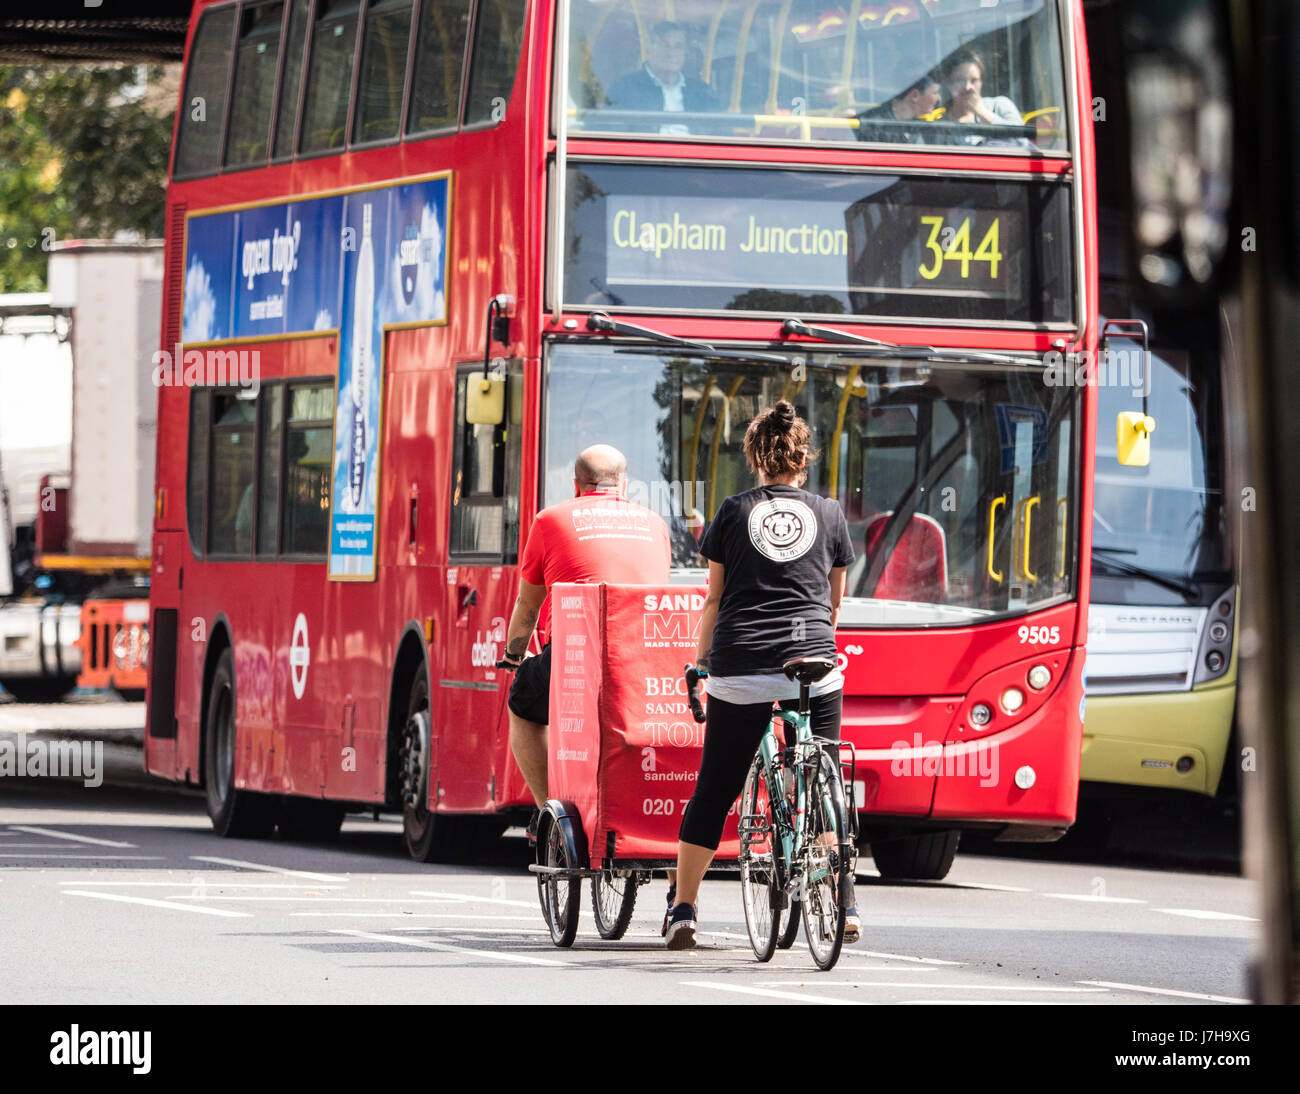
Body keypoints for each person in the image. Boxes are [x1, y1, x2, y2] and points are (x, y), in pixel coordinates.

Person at [664, 400, 859, 949]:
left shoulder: (732, 511)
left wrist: (700, 667)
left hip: (744, 663)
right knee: (824, 780)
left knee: (717, 787)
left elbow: (714, 600)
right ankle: (842, 901)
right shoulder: (831, 513)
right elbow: (833, 604)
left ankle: (684, 908)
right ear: (804, 459)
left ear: (755, 456)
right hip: (814, 663)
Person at [497, 444, 672, 823]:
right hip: (645, 663)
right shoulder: (656, 524)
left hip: (577, 661)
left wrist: (514, 658)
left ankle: (551, 815)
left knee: (522, 706)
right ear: (624, 486)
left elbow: (527, 608)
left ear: (576, 487)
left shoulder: (550, 521)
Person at [605, 21, 720, 136]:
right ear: (649, 50)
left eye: (678, 46)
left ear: (685, 52)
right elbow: (614, 137)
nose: (671, 53)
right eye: (664, 45)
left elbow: (720, 136)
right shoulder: (624, 89)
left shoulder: (702, 92)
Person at [938, 48, 1027, 147]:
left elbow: (1022, 141)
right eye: (960, 80)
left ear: (981, 82)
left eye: (974, 80)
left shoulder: (999, 106)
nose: (968, 87)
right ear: (949, 84)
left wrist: (982, 112)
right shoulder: (941, 127)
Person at [854, 70, 941, 144]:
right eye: (935, 93)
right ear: (915, 96)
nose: (939, 98)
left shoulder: (922, 125)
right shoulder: (873, 125)